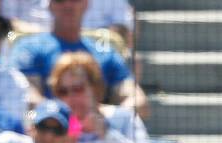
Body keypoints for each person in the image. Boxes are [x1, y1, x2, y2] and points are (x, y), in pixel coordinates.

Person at [11, 0, 144, 115]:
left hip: (99, 135)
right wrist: (68, 121)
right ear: (50, 5)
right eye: (60, 0)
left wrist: (105, 118)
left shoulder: (104, 51)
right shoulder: (29, 47)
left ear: (86, 3)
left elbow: (139, 101)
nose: (68, 4)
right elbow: (29, 98)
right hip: (50, 133)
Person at [47, 51, 150, 143]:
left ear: (94, 88)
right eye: (63, 91)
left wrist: (107, 134)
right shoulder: (51, 127)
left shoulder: (123, 117)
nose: (71, 97)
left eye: (78, 89)